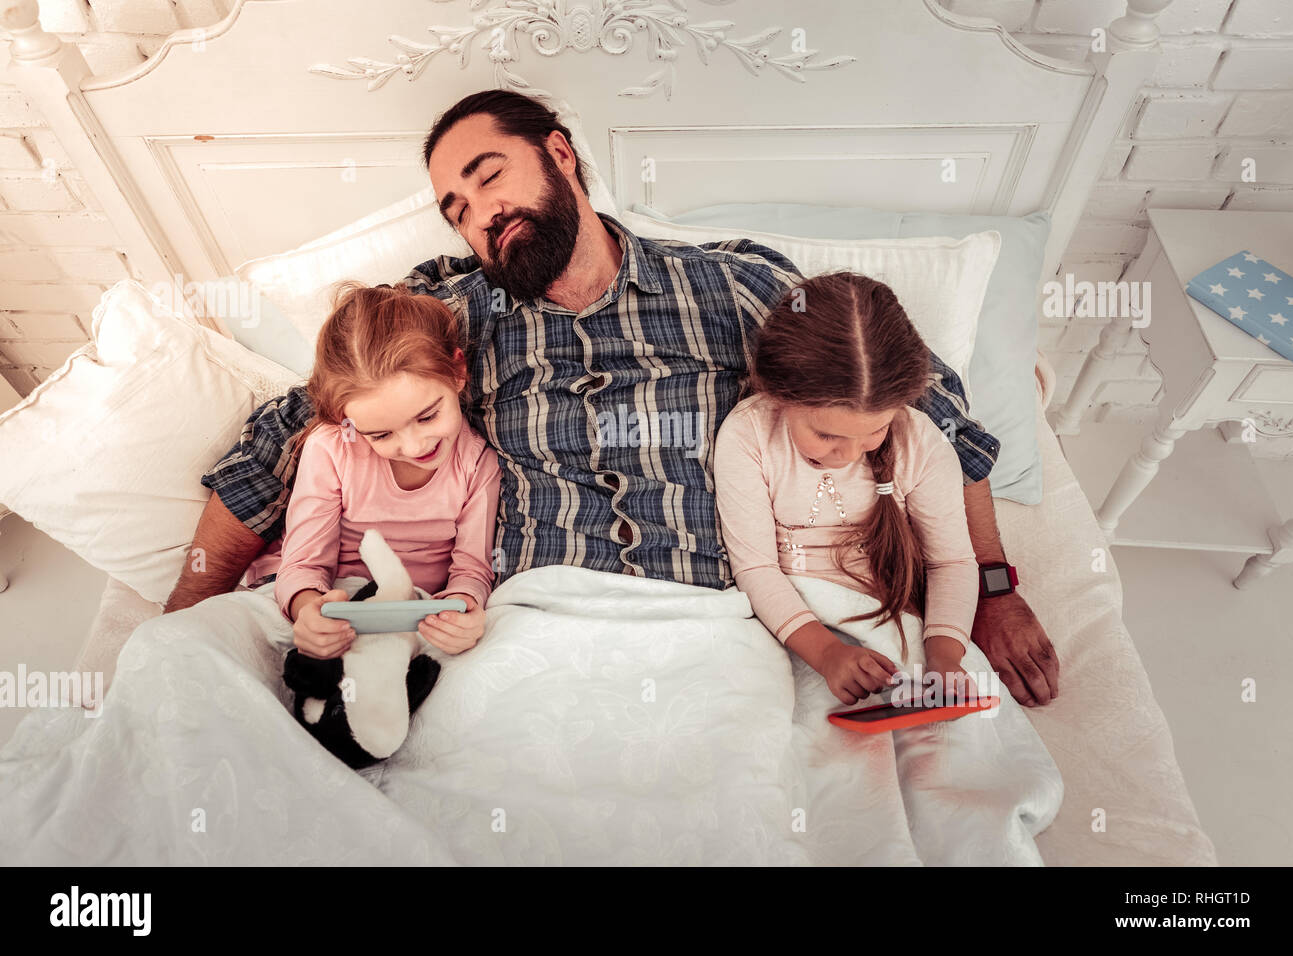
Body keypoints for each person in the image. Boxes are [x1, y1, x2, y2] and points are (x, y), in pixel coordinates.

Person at [170, 88, 1059, 707]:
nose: (478, 212)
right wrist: (182, 616)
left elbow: (925, 403)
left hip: (714, 618)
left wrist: (993, 586)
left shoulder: (734, 283)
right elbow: (296, 427)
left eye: (489, 176)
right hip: (527, 623)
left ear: (560, 155)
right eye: (454, 207)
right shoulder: (451, 312)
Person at [714, 271, 978, 703]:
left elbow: (951, 562)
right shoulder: (750, 435)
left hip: (892, 625)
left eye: (875, 430)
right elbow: (757, 568)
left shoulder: (922, 441)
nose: (849, 455)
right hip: (791, 626)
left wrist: (945, 660)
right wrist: (828, 653)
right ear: (778, 394)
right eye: (826, 436)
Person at [251, 281, 500, 660]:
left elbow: (472, 568)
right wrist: (307, 609)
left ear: (457, 371)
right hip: (329, 601)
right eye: (381, 434)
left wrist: (463, 605)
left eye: (428, 415)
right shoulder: (332, 449)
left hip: (418, 611)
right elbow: (302, 563)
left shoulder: (478, 463)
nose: (416, 446)